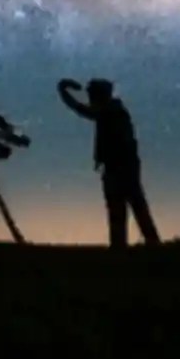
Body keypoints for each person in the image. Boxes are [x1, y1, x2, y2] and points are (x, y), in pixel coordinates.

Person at [58, 78, 161, 248]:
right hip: (122, 167)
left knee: (126, 207)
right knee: (131, 206)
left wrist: (63, 91)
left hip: (120, 168)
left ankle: (132, 245)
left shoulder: (110, 112)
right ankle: (143, 244)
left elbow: (81, 109)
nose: (89, 97)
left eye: (92, 94)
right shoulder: (113, 111)